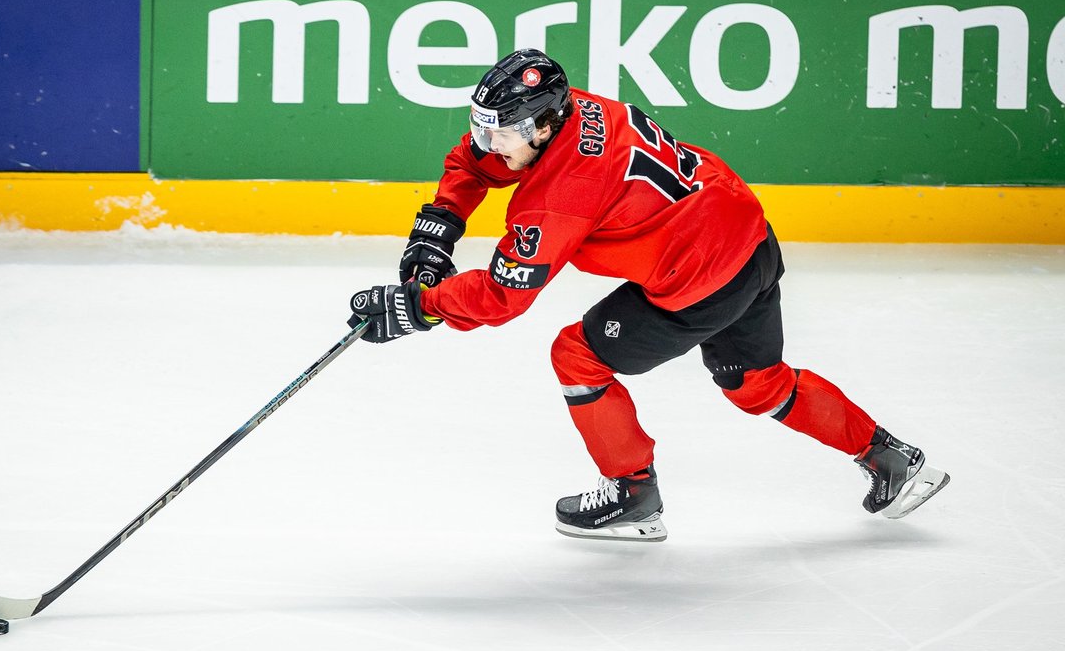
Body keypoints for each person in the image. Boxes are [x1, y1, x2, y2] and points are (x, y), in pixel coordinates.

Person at [347, 49, 949, 542]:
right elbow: (476, 163)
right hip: (749, 240)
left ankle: (633, 495)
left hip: (700, 280)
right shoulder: (577, 110)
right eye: (484, 125)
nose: (487, 141)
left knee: (576, 356)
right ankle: (891, 460)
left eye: (500, 131)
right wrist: (439, 227)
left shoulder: (563, 192)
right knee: (757, 384)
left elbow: (504, 296)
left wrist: (417, 308)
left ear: (542, 125)